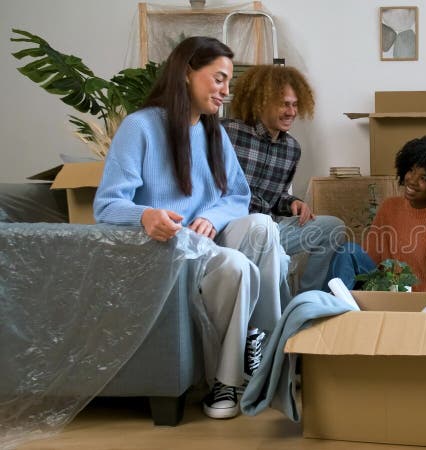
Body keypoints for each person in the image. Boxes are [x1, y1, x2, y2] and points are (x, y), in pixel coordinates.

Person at [93, 37, 290, 420]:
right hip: (170, 245)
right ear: (186, 74)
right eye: (218, 79)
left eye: (228, 82)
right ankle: (227, 381)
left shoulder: (213, 132)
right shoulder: (141, 127)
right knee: (234, 266)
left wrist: (213, 217)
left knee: (264, 227)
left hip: (206, 236)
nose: (225, 92)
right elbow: (106, 204)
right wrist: (146, 215)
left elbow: (237, 196)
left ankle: (263, 353)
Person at [223, 65, 346, 293]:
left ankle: (310, 299)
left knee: (333, 228)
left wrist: (291, 203)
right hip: (233, 232)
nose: (291, 112)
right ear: (261, 102)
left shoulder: (291, 149)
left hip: (271, 230)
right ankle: (288, 318)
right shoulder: (228, 134)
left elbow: (275, 196)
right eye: (284, 104)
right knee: (276, 261)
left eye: (295, 104)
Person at [328, 136, 426, 292]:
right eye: (411, 170)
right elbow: (370, 259)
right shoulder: (390, 206)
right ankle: (336, 306)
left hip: (416, 301)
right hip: (385, 287)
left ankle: (336, 307)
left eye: (424, 178)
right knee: (348, 251)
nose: (412, 180)